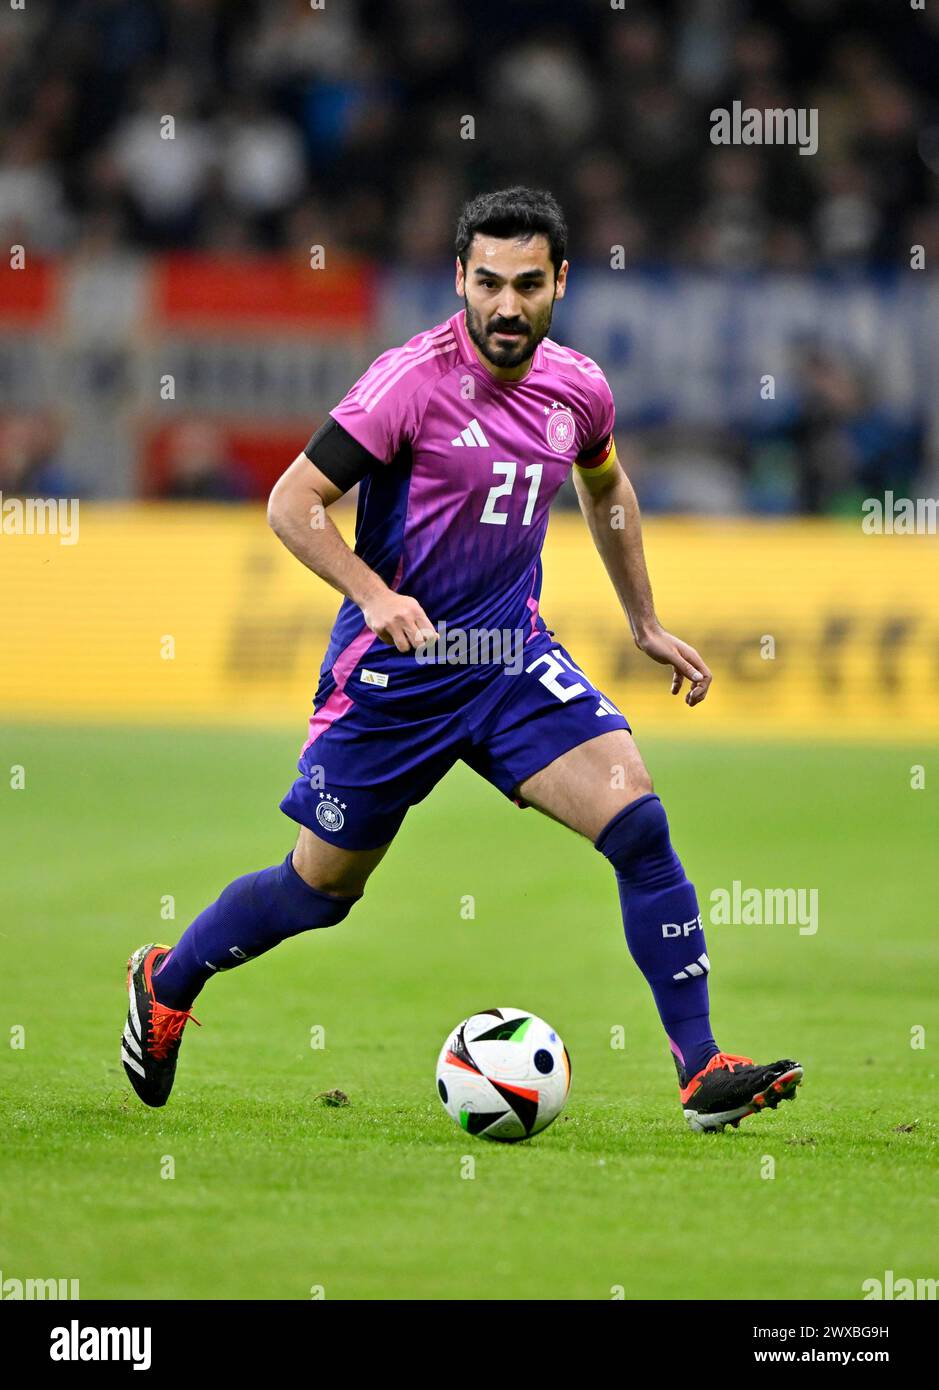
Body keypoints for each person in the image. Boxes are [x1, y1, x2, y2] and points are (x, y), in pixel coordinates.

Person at [121, 186, 802, 1132]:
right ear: (460, 280)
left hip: (509, 660)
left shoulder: (578, 388)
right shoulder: (407, 383)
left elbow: (604, 489)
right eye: (487, 283)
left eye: (527, 284)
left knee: (639, 825)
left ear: (560, 282)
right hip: (396, 680)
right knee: (320, 892)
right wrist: (372, 595)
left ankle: (701, 1069)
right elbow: (291, 503)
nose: (506, 305)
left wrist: (642, 619)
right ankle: (169, 979)